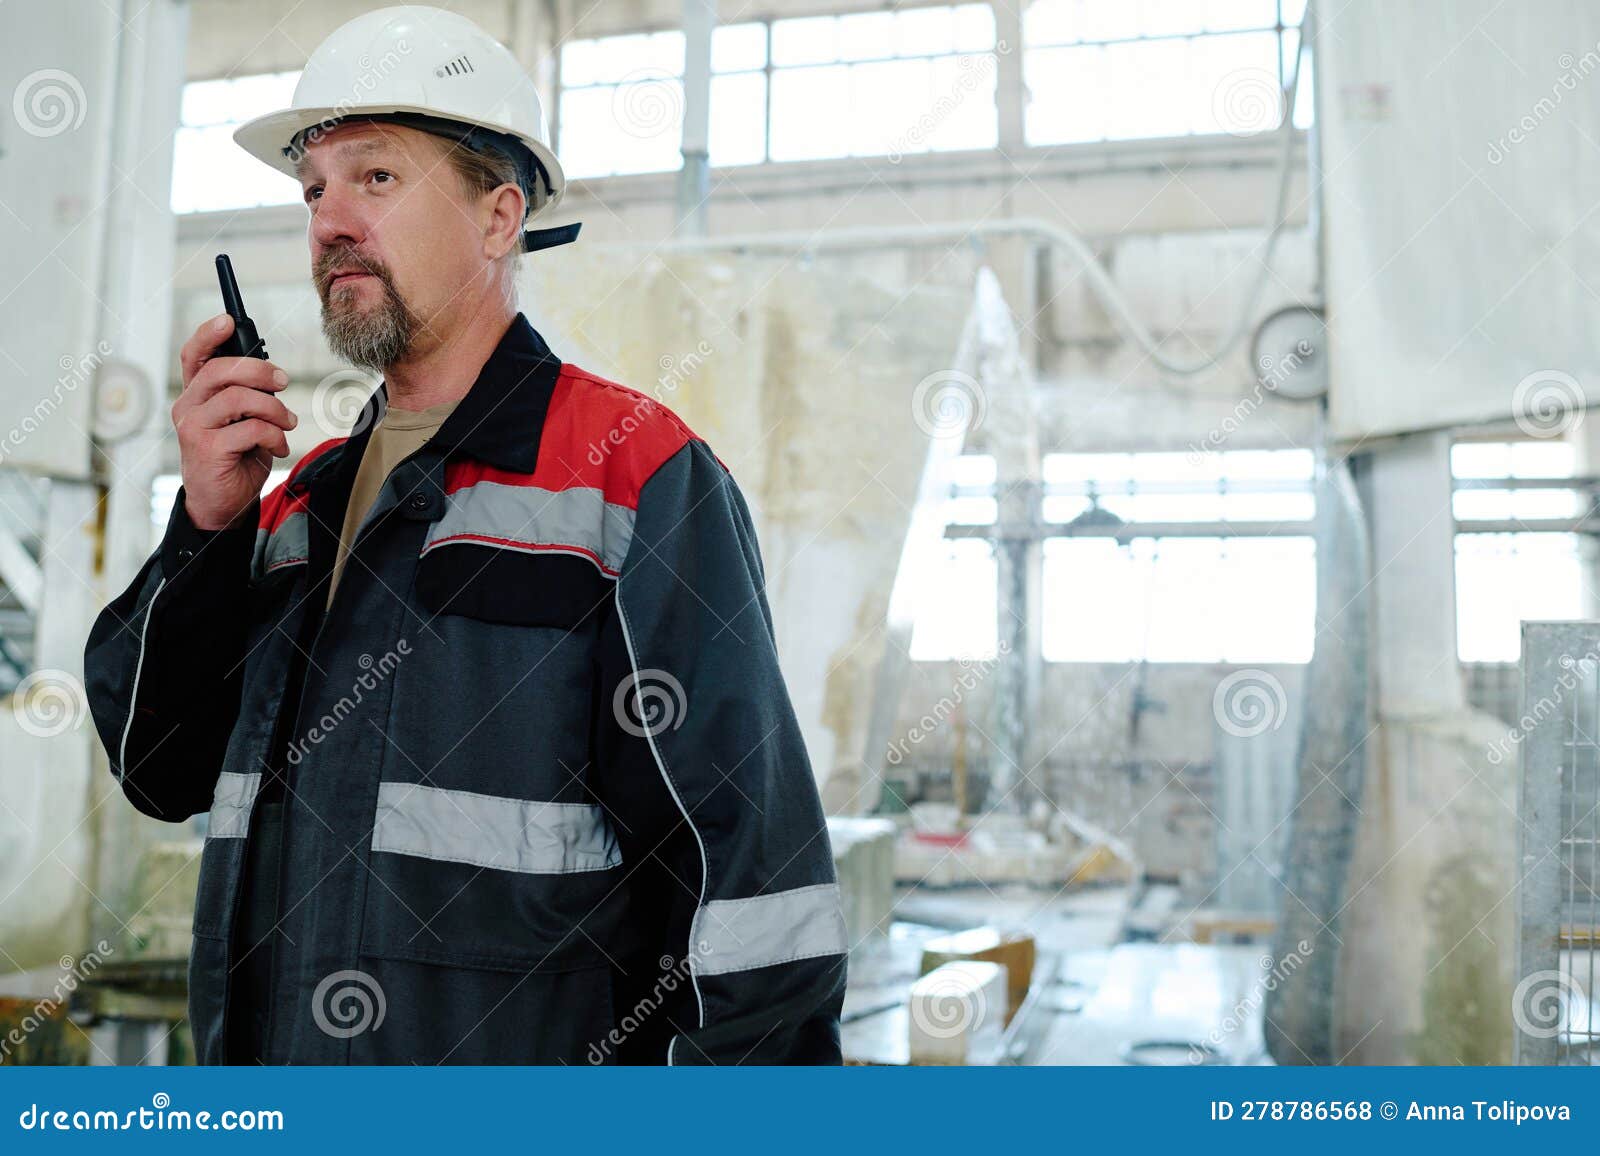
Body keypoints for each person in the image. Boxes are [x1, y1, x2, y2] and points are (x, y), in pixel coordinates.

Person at [83, 5, 845, 1065]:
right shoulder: (300, 500)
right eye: (315, 190)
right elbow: (156, 766)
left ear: (498, 218)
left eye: (376, 178)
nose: (329, 220)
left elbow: (752, 897)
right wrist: (206, 526)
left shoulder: (632, 471)